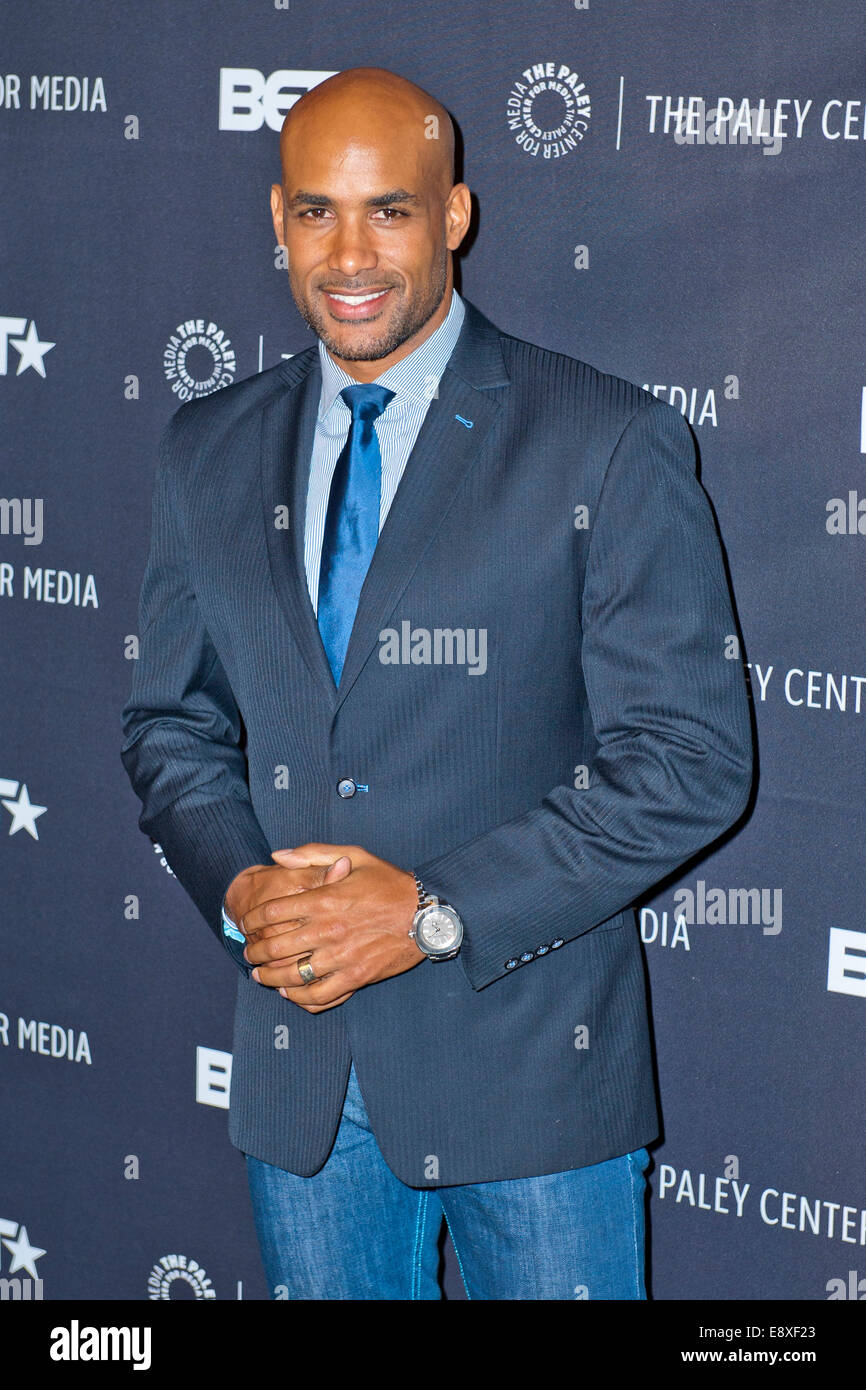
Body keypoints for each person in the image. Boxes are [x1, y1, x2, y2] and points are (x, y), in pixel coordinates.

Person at [120, 65, 753, 1300]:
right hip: (302, 1075)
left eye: (389, 211)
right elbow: (169, 722)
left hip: (532, 1082)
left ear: (452, 216)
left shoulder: (603, 440)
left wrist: (427, 911)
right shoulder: (206, 447)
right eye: (316, 212)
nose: (349, 253)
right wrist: (246, 886)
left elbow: (685, 759)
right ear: (277, 221)